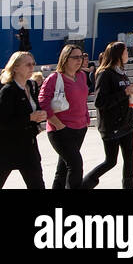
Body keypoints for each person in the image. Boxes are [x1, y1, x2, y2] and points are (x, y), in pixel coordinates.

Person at [83, 42, 133, 189]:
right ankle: (85, 184)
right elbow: (100, 102)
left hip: (127, 121)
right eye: (125, 52)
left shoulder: (121, 72)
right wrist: (124, 92)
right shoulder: (105, 74)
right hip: (112, 125)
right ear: (118, 55)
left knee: (129, 159)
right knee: (110, 161)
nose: (128, 54)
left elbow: (125, 95)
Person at [0, 51, 46, 189]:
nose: (32, 67)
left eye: (33, 64)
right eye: (28, 64)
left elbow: (33, 108)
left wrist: (39, 116)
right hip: (5, 147)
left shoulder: (31, 86)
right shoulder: (8, 90)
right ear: (15, 68)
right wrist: (30, 117)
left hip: (27, 146)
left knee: (37, 185)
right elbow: (1, 121)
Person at [38, 44, 93, 190]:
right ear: (65, 58)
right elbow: (43, 102)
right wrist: (58, 124)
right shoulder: (54, 78)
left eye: (81, 57)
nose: (79, 60)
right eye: (75, 57)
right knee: (75, 165)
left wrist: (86, 118)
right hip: (60, 130)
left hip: (80, 128)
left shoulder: (81, 75)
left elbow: (83, 99)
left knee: (63, 169)